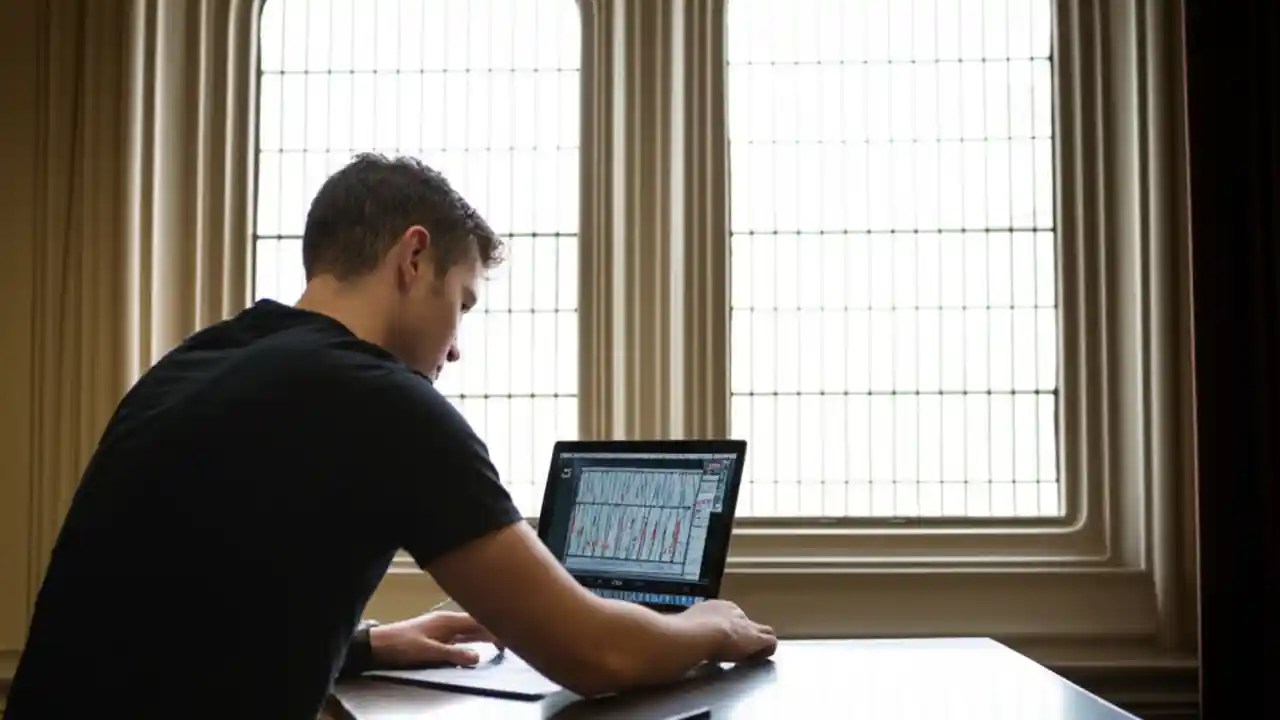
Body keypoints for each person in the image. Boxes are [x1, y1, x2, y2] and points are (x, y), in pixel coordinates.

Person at [4, 153, 777, 720]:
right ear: (413, 258)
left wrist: (368, 645)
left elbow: (168, 620)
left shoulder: (198, 362)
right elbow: (592, 653)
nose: (454, 347)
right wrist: (702, 623)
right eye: (463, 303)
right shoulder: (382, 402)